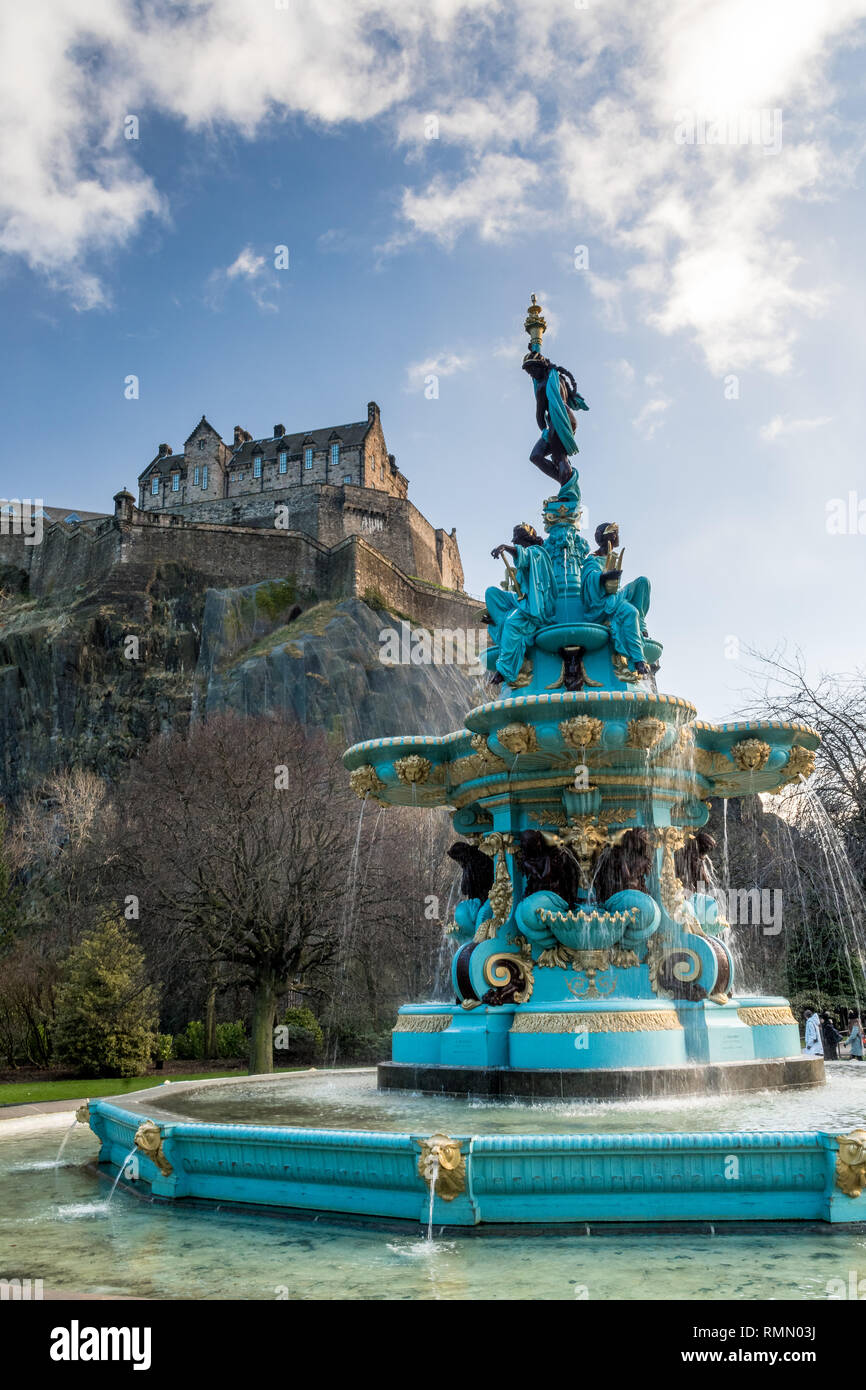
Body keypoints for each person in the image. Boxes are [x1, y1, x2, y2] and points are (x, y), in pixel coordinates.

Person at [484, 524, 556, 686]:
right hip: (522, 599)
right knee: (492, 594)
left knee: (512, 623)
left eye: (516, 538)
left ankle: (505, 670)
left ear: (526, 539)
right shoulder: (527, 555)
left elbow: (526, 556)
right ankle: (499, 619)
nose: (514, 541)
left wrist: (506, 548)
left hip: (536, 606)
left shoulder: (539, 553)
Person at [580, 522, 651, 677]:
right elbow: (588, 579)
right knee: (630, 612)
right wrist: (603, 576)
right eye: (615, 534)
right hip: (602, 603)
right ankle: (638, 659)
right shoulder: (592, 559)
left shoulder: (612, 556)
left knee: (642, 582)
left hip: (616, 595)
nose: (618, 537)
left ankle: (642, 622)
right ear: (606, 538)